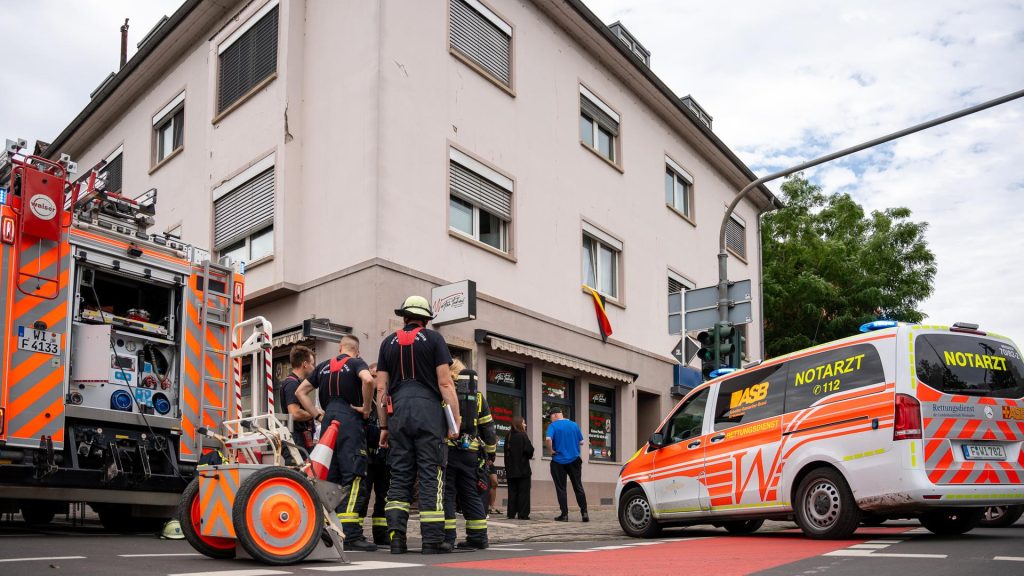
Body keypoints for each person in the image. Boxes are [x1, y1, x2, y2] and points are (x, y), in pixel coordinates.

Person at [375, 295, 461, 555]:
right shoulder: (435, 340)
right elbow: (445, 384)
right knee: (430, 475)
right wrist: (454, 421)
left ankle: (397, 540)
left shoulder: (387, 342)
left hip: (399, 413)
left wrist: (384, 427)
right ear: (426, 319)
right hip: (428, 414)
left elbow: (381, 389)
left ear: (404, 317)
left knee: (399, 476)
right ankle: (431, 541)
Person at [296, 335, 376, 551]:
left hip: (329, 424)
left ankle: (331, 529)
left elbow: (300, 391)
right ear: (356, 351)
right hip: (350, 421)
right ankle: (350, 535)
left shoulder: (322, 367)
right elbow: (368, 380)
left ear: (340, 348)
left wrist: (316, 414)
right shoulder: (356, 363)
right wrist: (367, 409)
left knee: (332, 478)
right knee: (354, 477)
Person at [443, 362, 497, 550]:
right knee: (471, 495)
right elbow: (488, 429)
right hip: (471, 455)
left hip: (448, 451)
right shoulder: (478, 398)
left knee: (447, 494)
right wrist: (491, 454)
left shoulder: (445, 393)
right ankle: (478, 537)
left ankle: (447, 539)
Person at [359, 362, 390, 546]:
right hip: (367, 455)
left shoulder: (386, 398)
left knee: (383, 494)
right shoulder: (365, 399)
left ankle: (381, 533)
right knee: (362, 495)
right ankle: (357, 531)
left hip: (384, 456)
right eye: (372, 374)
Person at [545, 407, 588, 522]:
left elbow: (548, 439)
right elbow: (582, 442)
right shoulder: (574, 425)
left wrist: (550, 451)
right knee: (578, 486)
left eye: (550, 417)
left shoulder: (553, 426)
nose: (550, 420)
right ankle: (584, 513)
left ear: (554, 415)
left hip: (558, 461)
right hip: (574, 460)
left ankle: (564, 515)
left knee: (561, 489)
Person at [280, 345, 317, 451]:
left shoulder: (294, 382)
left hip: (299, 439)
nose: (313, 368)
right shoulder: (292, 383)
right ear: (305, 364)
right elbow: (295, 413)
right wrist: (315, 413)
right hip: (296, 440)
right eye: (312, 364)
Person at [503, 416, 533, 520]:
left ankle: (511, 513)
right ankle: (523, 514)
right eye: (524, 423)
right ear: (520, 424)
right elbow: (530, 451)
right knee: (523, 492)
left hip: (511, 469)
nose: (525, 425)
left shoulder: (508, 436)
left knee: (512, 492)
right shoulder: (523, 435)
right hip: (523, 469)